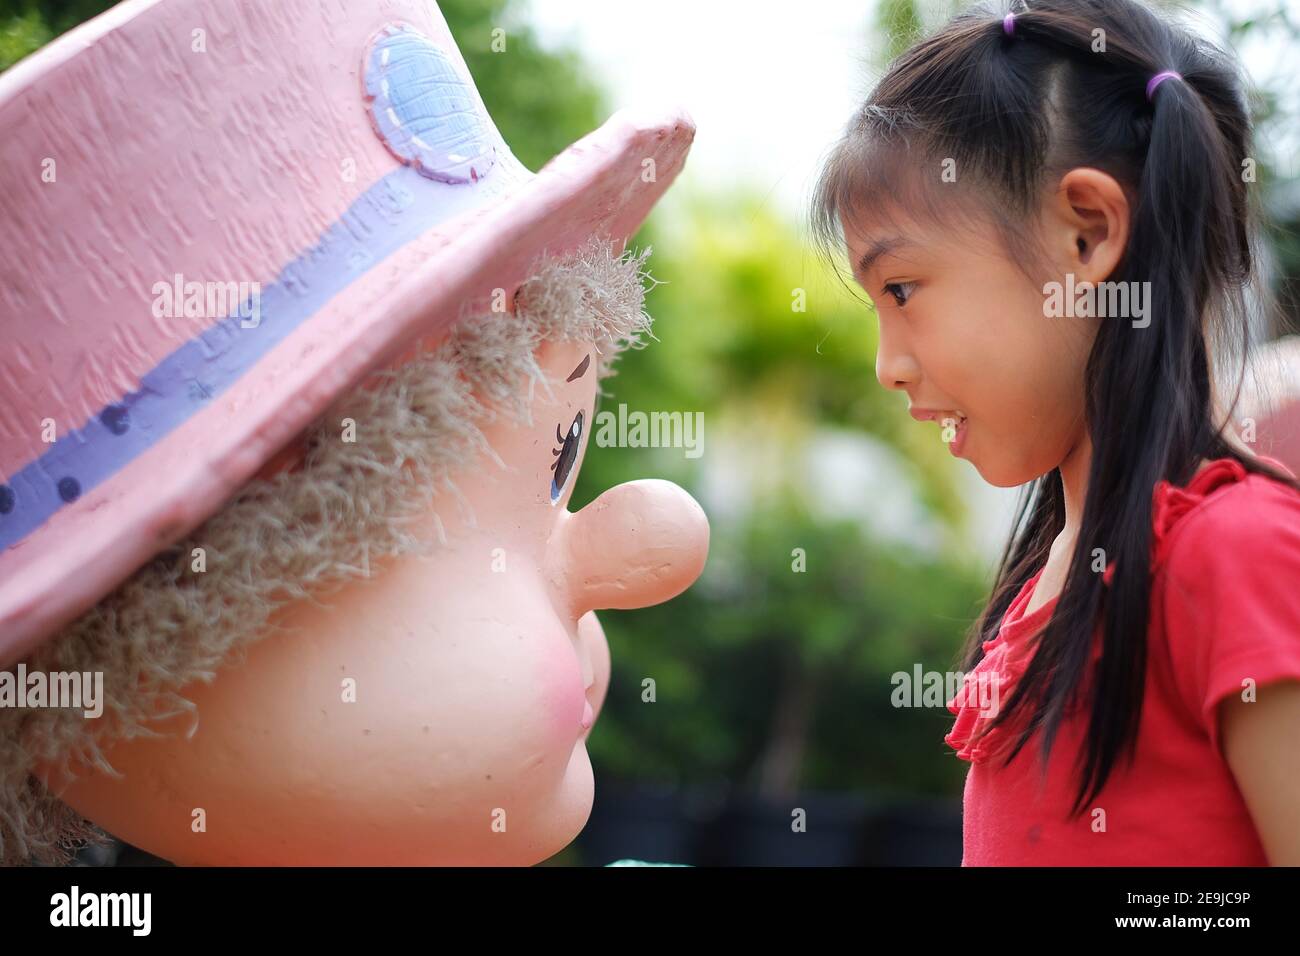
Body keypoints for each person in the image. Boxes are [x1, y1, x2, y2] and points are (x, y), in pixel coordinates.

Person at [811, 0, 1300, 865]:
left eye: (902, 289)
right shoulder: (1044, 591)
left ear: (1089, 233)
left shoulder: (1239, 555)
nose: (887, 365)